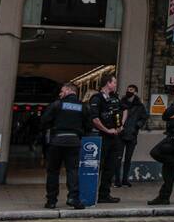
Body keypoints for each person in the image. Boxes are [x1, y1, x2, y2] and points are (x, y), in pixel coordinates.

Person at [40, 82, 90, 210]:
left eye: (62, 91)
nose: (60, 94)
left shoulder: (57, 104)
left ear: (68, 90)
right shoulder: (83, 106)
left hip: (57, 141)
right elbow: (88, 126)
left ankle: (51, 201)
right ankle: (73, 198)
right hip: (74, 141)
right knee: (72, 170)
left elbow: (44, 121)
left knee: (53, 171)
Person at [87, 74, 123, 203]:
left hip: (114, 137)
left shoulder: (114, 98)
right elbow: (95, 119)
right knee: (97, 166)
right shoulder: (96, 98)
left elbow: (121, 111)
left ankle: (104, 194)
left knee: (111, 167)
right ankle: (89, 194)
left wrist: (120, 126)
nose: (115, 84)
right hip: (101, 137)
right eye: (114, 82)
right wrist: (107, 130)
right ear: (108, 83)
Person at [116, 84, 147, 187]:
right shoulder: (121, 103)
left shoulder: (140, 106)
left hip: (132, 135)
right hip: (121, 134)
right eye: (128, 89)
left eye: (132, 90)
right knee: (118, 158)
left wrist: (137, 126)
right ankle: (117, 180)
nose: (129, 91)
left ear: (136, 92)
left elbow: (144, 118)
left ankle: (125, 179)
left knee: (128, 159)